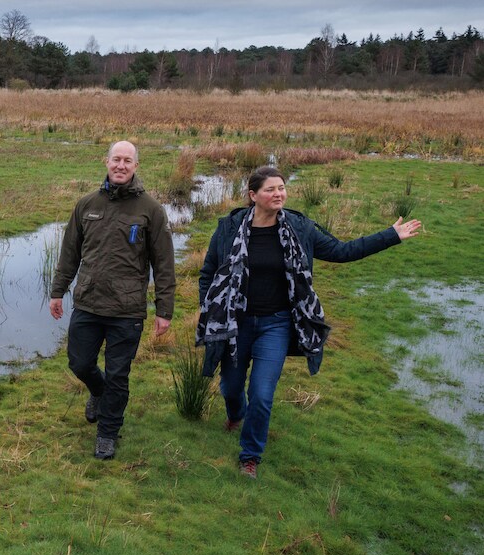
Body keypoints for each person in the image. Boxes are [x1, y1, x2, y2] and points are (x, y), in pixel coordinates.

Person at [196, 165, 422, 478]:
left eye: (281, 188)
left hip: (276, 324)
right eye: (270, 189)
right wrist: (209, 310)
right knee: (231, 387)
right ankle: (236, 414)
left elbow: (342, 251)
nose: (278, 194)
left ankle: (250, 456)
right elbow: (208, 272)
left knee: (262, 394)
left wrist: (390, 236)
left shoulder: (300, 228)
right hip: (236, 323)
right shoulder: (229, 227)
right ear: (253, 195)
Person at [49, 141, 175, 460]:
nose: (121, 165)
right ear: (106, 162)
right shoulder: (87, 205)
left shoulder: (150, 210)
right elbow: (69, 253)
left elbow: (163, 263)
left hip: (127, 309)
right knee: (79, 363)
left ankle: (107, 433)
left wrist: (164, 310)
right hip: (88, 303)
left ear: (136, 166)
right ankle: (98, 392)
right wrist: (57, 291)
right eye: (116, 159)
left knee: (118, 374)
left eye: (127, 161)